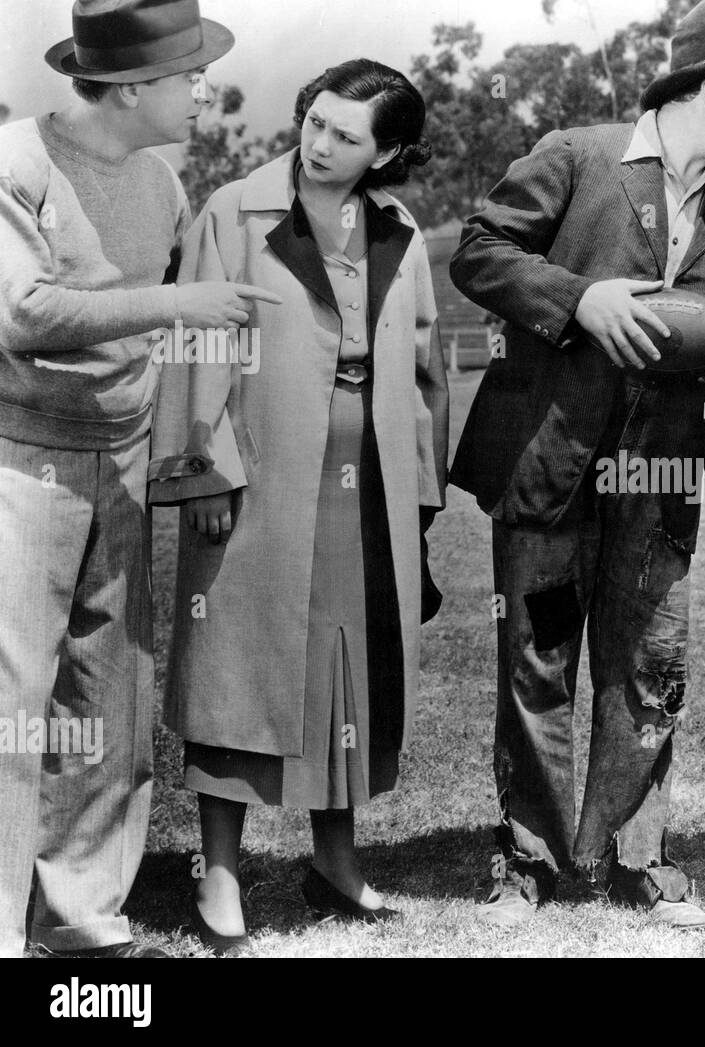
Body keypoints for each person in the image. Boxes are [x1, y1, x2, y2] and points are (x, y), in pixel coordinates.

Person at [449, 0, 705, 930]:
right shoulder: (579, 154)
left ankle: (635, 857)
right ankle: (527, 861)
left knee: (651, 665)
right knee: (537, 658)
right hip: (546, 462)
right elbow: (479, 249)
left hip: (659, 480)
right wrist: (581, 300)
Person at [148, 58, 448, 955]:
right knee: (239, 668)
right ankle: (221, 880)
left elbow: (429, 369)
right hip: (258, 483)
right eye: (314, 121)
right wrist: (203, 472)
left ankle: (336, 865)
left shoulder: (401, 230)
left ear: (387, 151)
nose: (318, 143)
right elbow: (195, 343)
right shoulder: (232, 210)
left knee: (348, 670)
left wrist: (421, 495)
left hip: (371, 489)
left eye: (345, 136)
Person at [0, 0, 266, 960]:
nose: (201, 90)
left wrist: (209, 447)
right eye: (187, 76)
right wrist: (177, 300)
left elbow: (194, 333)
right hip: (21, 454)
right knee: (12, 705)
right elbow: (20, 312)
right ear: (128, 87)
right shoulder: (16, 161)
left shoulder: (159, 180)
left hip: (124, 453)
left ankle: (81, 927)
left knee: (108, 699)